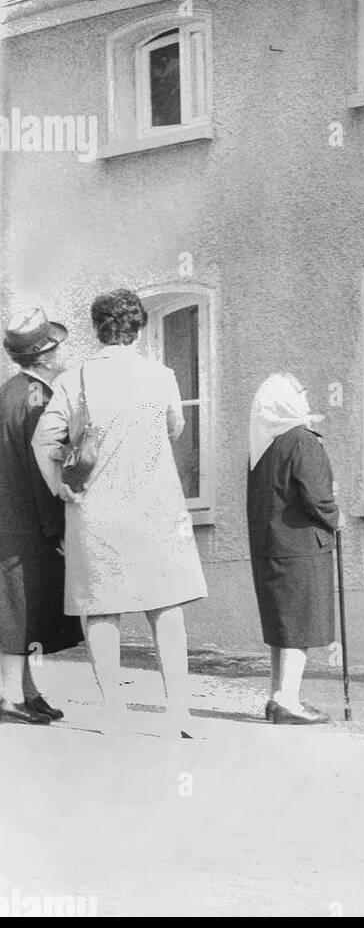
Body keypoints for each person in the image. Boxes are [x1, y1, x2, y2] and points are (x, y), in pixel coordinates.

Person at [32, 289, 207, 738]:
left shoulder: (76, 380)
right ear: (140, 327)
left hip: (97, 511)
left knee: (103, 612)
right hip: (155, 509)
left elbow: (44, 441)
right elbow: (174, 428)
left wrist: (63, 488)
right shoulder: (162, 375)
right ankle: (178, 715)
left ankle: (114, 711)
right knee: (165, 607)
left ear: (97, 328)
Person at [0, 309, 83, 724]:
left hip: (11, 518)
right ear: (46, 355)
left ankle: (27, 691)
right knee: (19, 609)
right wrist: (56, 526)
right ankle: (11, 696)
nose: (62, 353)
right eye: (57, 347)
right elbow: (42, 468)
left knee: (24, 608)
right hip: (26, 521)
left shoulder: (9, 391)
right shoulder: (38, 398)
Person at [247, 373, 343, 725]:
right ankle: (287, 700)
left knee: (283, 628)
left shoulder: (264, 446)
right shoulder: (301, 440)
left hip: (271, 547)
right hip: (300, 548)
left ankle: (279, 696)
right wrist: (337, 517)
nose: (304, 397)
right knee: (297, 628)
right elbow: (318, 497)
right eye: (299, 392)